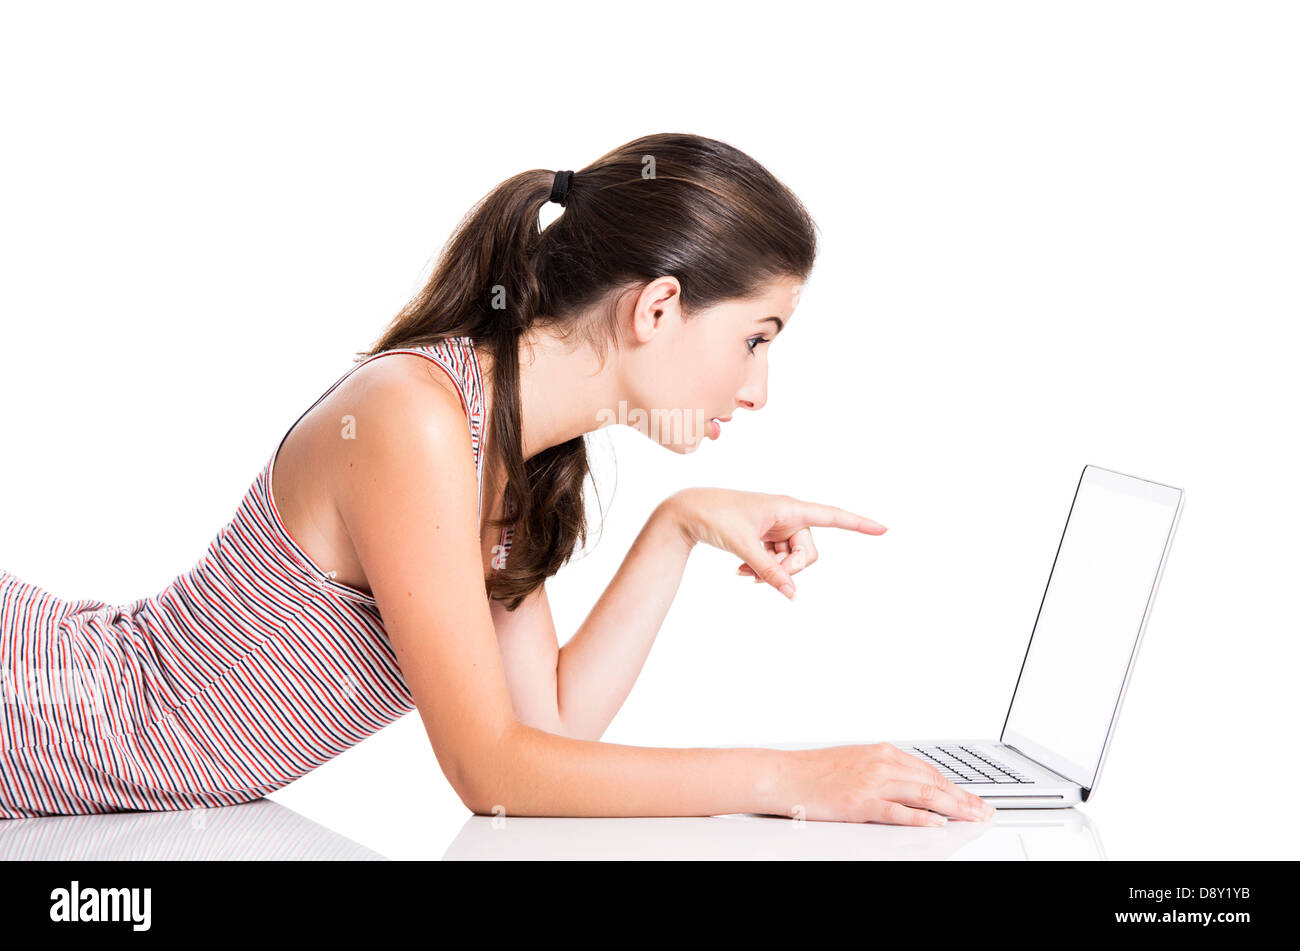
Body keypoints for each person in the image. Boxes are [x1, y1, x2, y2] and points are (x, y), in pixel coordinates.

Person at [0, 132, 994, 826]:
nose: (760, 387)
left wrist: (676, 527)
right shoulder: (414, 420)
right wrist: (795, 778)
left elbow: (545, 733)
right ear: (655, 308)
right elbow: (493, 774)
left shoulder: (509, 453)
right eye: (755, 339)